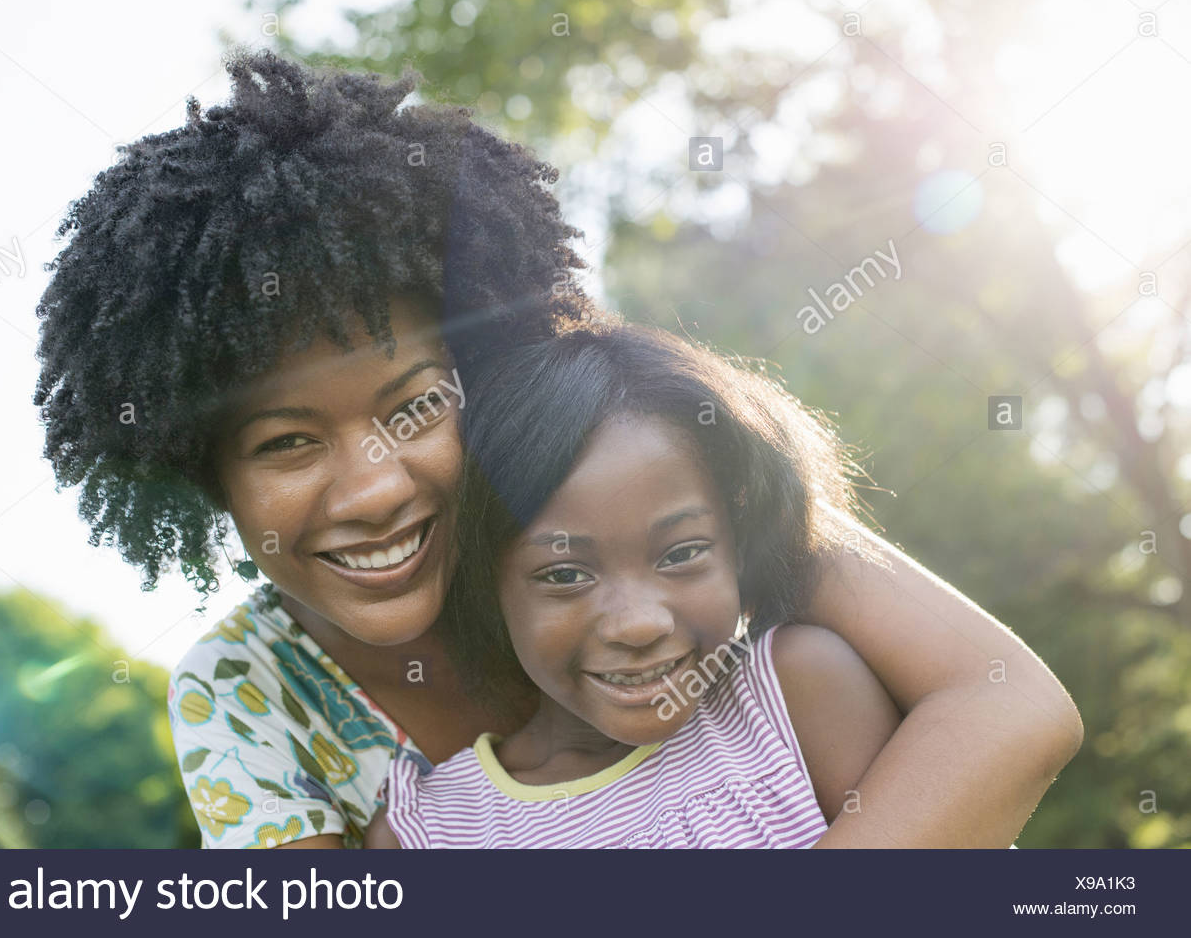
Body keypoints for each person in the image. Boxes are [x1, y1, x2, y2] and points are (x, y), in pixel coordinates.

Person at [33, 48, 1082, 850]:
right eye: (287, 442)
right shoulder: (249, 692)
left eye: (414, 405)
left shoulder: (648, 487)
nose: (372, 487)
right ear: (196, 470)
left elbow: (1005, 703)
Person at [365, 324, 902, 847]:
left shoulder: (795, 697)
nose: (639, 623)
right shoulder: (432, 833)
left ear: (738, 544)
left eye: (683, 553)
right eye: (566, 574)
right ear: (486, 584)